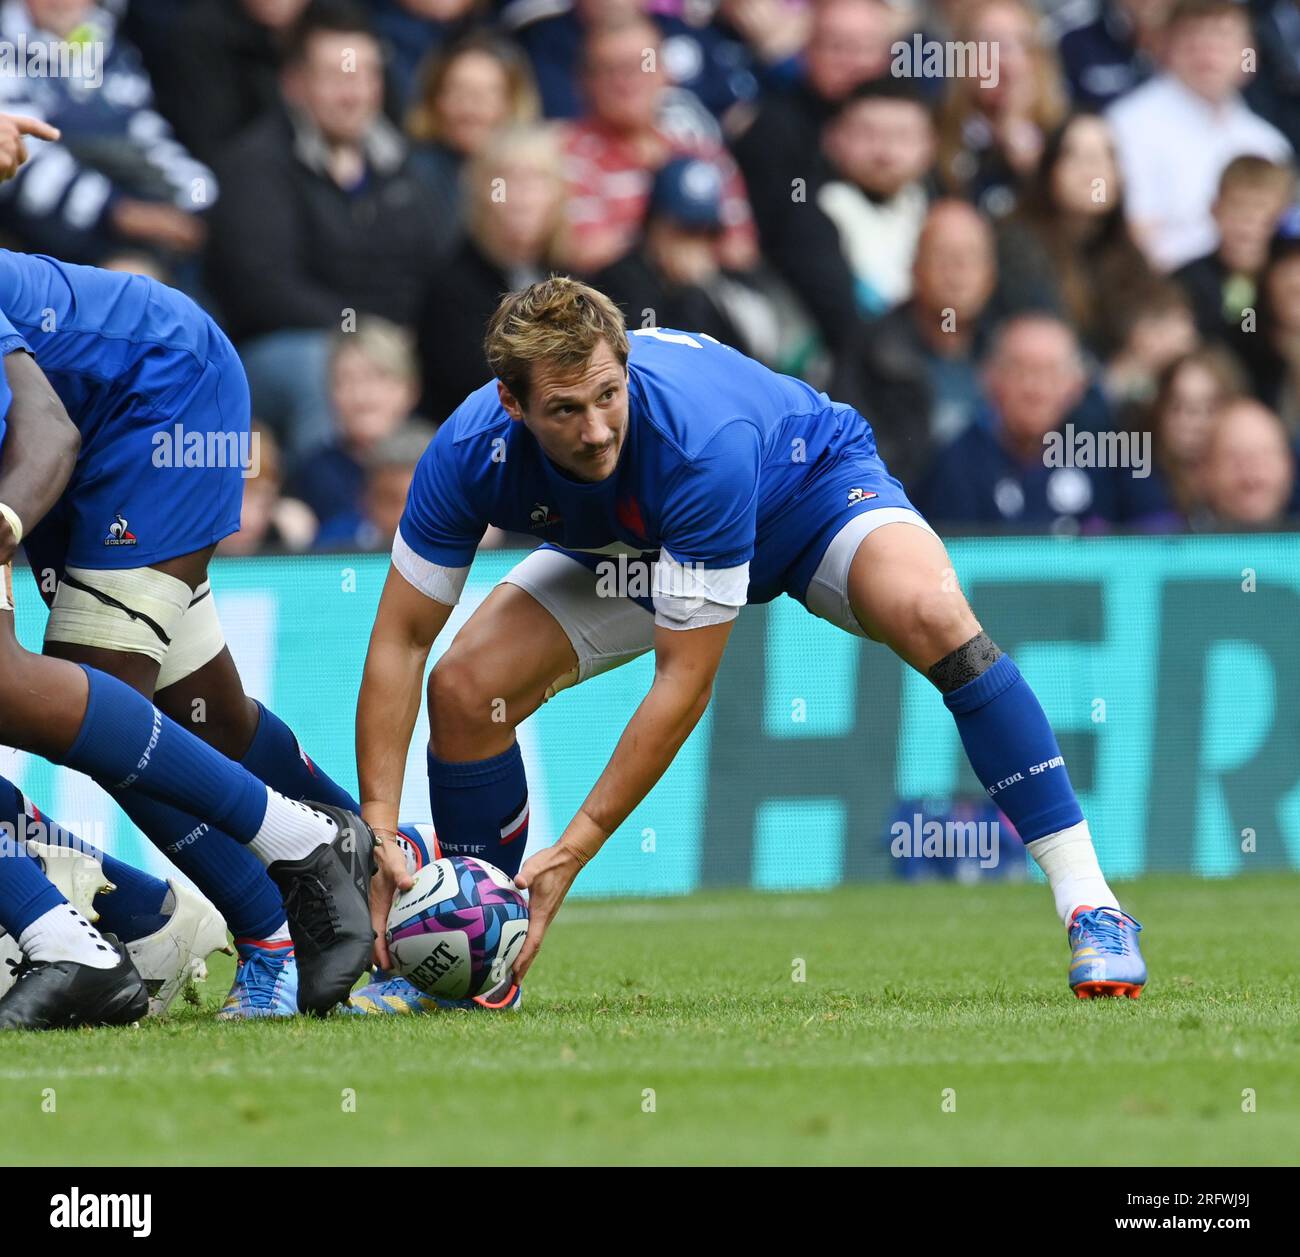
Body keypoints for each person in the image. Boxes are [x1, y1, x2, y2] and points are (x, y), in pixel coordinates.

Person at [350, 277, 1149, 1019]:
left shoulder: (698, 440)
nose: (596, 431)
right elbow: (401, 640)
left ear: (624, 365)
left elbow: (683, 682)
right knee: (464, 685)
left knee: (937, 614)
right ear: (511, 404)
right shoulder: (465, 452)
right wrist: (382, 827)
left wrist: (575, 847)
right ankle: (475, 958)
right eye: (565, 410)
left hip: (805, 496)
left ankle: (1092, 903)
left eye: (608, 395)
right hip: (645, 542)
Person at [0, 245, 380, 1021]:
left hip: (156, 398)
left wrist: (3, 524)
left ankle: (272, 916)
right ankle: (364, 849)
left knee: (62, 692)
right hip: (91, 419)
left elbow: (44, 431)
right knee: (207, 710)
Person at [1106, 0, 1293, 271]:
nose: (1208, 55)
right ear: (1164, 47)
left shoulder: (1268, 143)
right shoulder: (1126, 125)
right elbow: (1133, 235)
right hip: (1168, 289)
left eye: (1222, 39)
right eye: (1194, 40)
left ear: (1249, 53)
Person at [917, 314, 1122, 531]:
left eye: (1052, 372)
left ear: (1077, 385)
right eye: (1020, 370)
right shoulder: (954, 468)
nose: (1035, 389)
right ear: (988, 377)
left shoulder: (1104, 463)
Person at [1173, 155, 1296, 343]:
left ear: (1281, 217)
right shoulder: (1187, 281)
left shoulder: (1289, 279)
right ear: (1215, 209)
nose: (1247, 227)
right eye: (1238, 208)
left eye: (1261, 211)